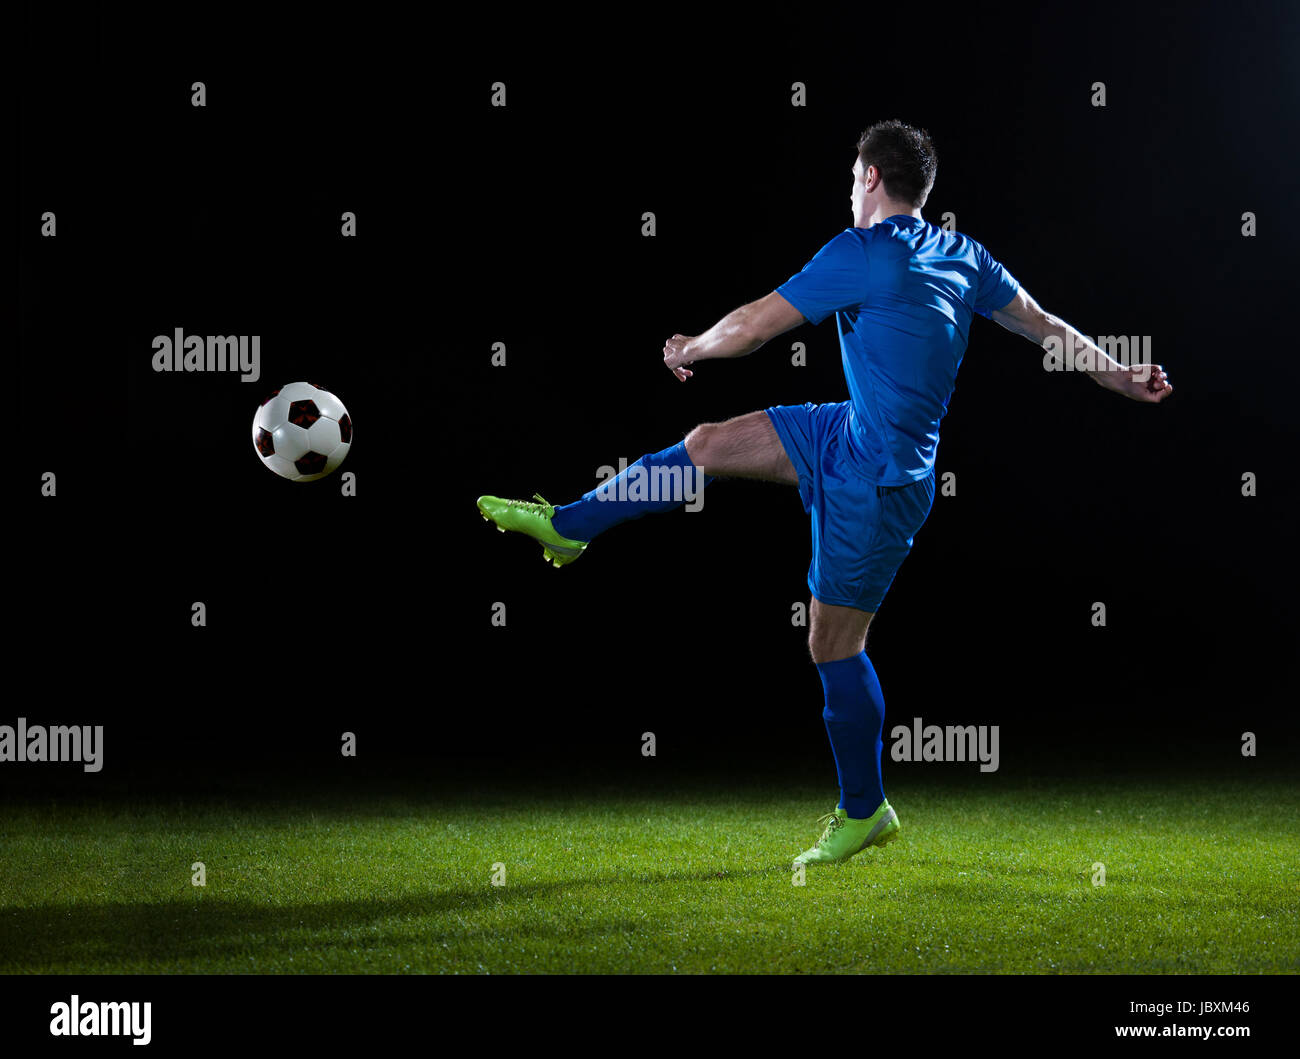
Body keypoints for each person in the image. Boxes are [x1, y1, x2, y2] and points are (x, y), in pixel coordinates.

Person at [477, 119, 1173, 865]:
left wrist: (693, 347)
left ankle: (865, 809)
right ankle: (571, 526)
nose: (849, 189)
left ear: (871, 177)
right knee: (708, 443)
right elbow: (1048, 329)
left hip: (877, 482)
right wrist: (1125, 374)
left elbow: (752, 325)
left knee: (832, 641)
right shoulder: (963, 255)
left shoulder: (864, 253)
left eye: (852, 177)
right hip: (847, 434)